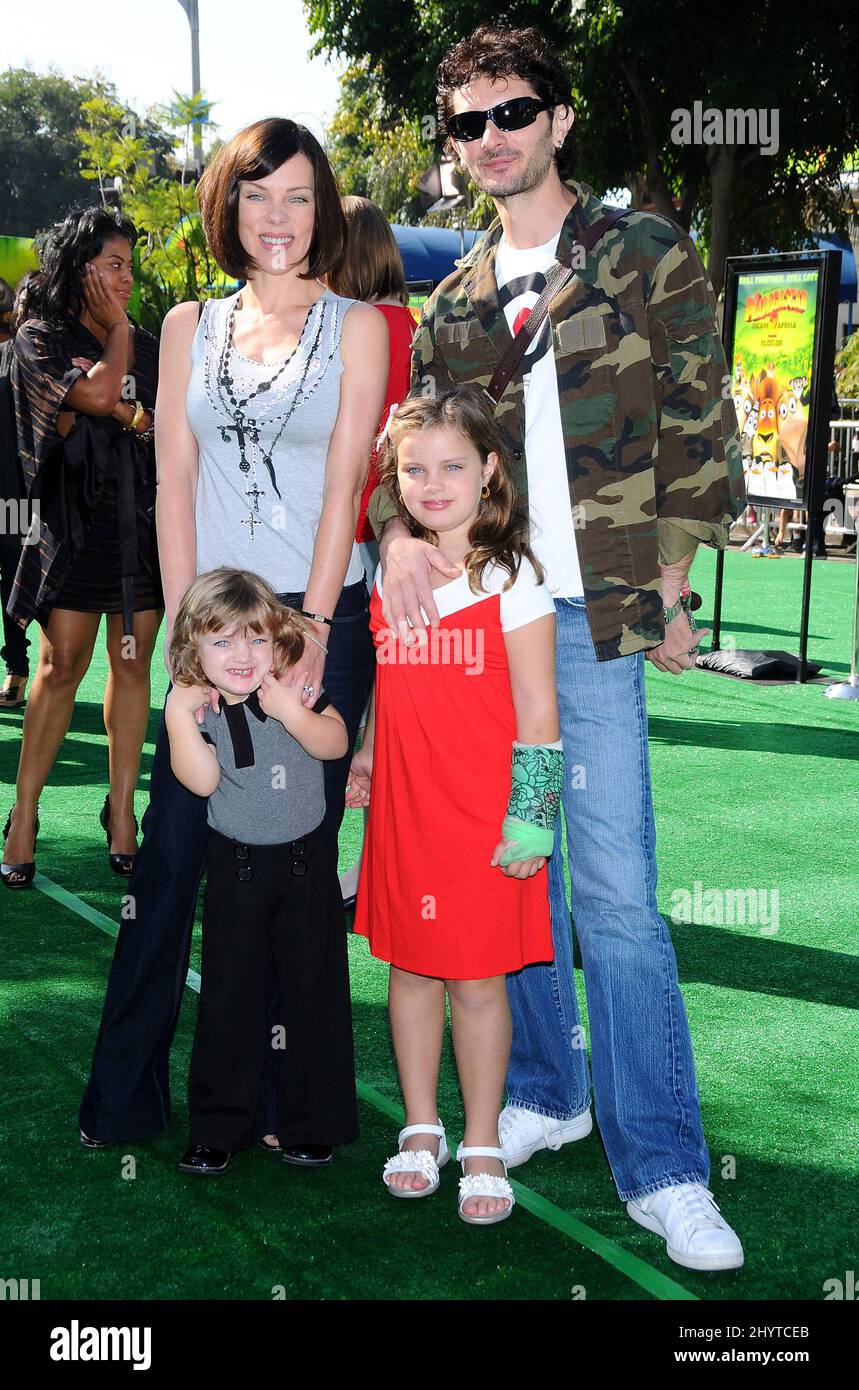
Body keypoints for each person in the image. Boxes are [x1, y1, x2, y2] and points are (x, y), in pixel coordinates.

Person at [366, 25, 746, 1269]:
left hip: (594, 624)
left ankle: (667, 1163)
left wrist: (678, 581)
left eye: (512, 112)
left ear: (561, 119)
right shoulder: (454, 299)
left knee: (619, 902)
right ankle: (544, 1089)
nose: (491, 140)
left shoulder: (645, 252)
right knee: (504, 874)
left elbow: (700, 421)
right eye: (467, 123)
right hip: (476, 637)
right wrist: (408, 546)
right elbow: (409, 466)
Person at [79, 117, 388, 1152]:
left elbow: (348, 479)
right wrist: (192, 645)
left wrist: (301, 630)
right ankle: (123, 1096)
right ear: (227, 206)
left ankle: (272, 1106)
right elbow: (172, 481)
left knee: (286, 878)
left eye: (298, 197)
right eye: (257, 195)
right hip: (208, 631)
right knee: (172, 856)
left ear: (325, 210)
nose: (277, 219)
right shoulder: (185, 327)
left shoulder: (360, 325)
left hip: (314, 620)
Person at [350, 386, 560, 1225]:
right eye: (414, 470)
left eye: (451, 467)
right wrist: (366, 748)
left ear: (490, 473)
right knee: (410, 968)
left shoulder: (513, 578)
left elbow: (540, 713)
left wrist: (532, 818)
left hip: (482, 817)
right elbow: (385, 679)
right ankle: (421, 1126)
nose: (432, 485)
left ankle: (480, 1141)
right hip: (404, 807)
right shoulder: (389, 568)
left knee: (475, 977)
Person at [166, 569, 357, 1175]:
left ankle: (310, 1123)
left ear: (279, 643)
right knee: (229, 998)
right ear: (195, 651)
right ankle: (220, 1128)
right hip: (236, 869)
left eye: (255, 640)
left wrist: (291, 712)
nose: (241, 655)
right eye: (222, 642)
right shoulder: (203, 708)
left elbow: (334, 744)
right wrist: (177, 713)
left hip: (305, 865)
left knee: (313, 993)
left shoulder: (293, 689)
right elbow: (200, 781)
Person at [2, 209, 162, 888]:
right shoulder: (40, 337)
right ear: (81, 267)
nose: (127, 277)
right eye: (114, 264)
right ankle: (24, 814)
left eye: (130, 265)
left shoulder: (151, 345)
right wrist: (121, 353)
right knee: (61, 665)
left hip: (137, 530)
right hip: (67, 531)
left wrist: (134, 410)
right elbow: (96, 396)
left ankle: (122, 813)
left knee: (130, 663)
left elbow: (163, 427)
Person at [326, 194, 416, 906]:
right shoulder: (411, 325)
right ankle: (378, 867)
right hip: (406, 536)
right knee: (395, 722)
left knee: (339, 715)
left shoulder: (359, 328)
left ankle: (327, 861)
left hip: (360, 540)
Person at [0, 274, 39, 710]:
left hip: (20, 501)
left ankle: (18, 671)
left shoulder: (39, 364)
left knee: (16, 585)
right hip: (15, 500)